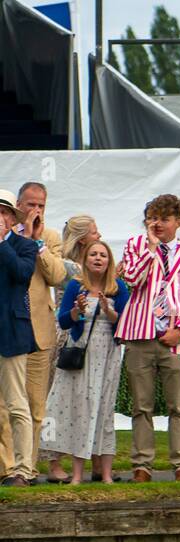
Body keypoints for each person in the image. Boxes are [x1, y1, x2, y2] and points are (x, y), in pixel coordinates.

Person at [117, 193, 180, 483]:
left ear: (178, 222)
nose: (157, 224)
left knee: (177, 405)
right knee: (141, 405)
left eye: (164, 219)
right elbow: (131, 280)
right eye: (152, 218)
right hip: (140, 335)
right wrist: (151, 250)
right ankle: (142, 465)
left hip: (176, 339)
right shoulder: (135, 246)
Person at [40, 241, 129, 484]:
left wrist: (107, 310)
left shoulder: (118, 287)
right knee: (78, 408)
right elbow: (65, 321)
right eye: (93, 254)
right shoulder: (75, 286)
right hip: (81, 353)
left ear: (108, 260)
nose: (98, 258)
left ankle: (107, 474)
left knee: (104, 410)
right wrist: (77, 311)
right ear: (86, 259)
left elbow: (124, 322)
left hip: (108, 354)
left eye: (103, 255)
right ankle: (75, 473)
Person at [7, 182, 66, 485]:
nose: (36, 211)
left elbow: (57, 276)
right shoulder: (6, 237)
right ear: (18, 205)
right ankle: (7, 467)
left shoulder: (51, 237)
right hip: (9, 328)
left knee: (34, 405)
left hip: (40, 331)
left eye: (41, 205)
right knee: (6, 403)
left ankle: (27, 469)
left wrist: (38, 242)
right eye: (30, 205)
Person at [45, 214, 104, 483]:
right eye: (94, 232)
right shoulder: (69, 268)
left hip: (93, 339)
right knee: (58, 402)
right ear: (83, 240)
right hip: (68, 338)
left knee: (91, 401)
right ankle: (54, 462)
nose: (100, 236)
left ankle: (93, 459)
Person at [0, 189, 39, 486]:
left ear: (13, 218)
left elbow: (22, 274)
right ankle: (4, 467)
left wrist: (2, 243)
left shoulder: (24, 246)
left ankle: (24, 470)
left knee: (17, 405)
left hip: (12, 334)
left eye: (3, 213)